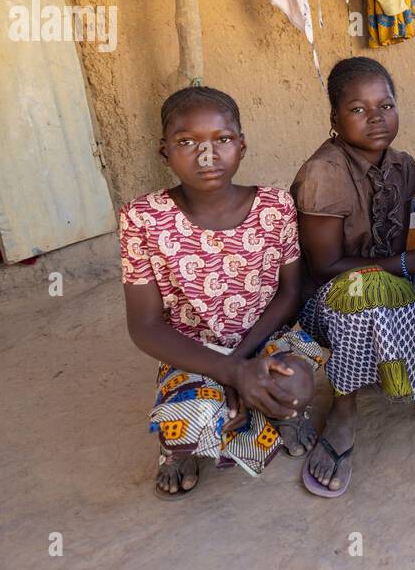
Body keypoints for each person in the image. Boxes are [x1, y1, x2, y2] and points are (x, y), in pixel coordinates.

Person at [119, 86, 319, 498]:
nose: (206, 155)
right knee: (187, 423)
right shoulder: (143, 218)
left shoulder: (275, 206)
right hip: (192, 352)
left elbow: (289, 292)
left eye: (222, 140)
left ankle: (272, 408)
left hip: (263, 342)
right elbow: (144, 326)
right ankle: (182, 451)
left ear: (241, 146)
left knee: (295, 384)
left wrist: (243, 362)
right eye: (187, 142)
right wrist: (226, 370)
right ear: (165, 152)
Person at [291, 57, 415, 497]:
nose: (376, 118)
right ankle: (344, 409)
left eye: (385, 105)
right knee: (364, 291)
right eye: (358, 109)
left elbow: (399, 237)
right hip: (329, 301)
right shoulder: (324, 172)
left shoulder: (403, 164)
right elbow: (326, 268)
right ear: (334, 118)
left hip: (391, 281)